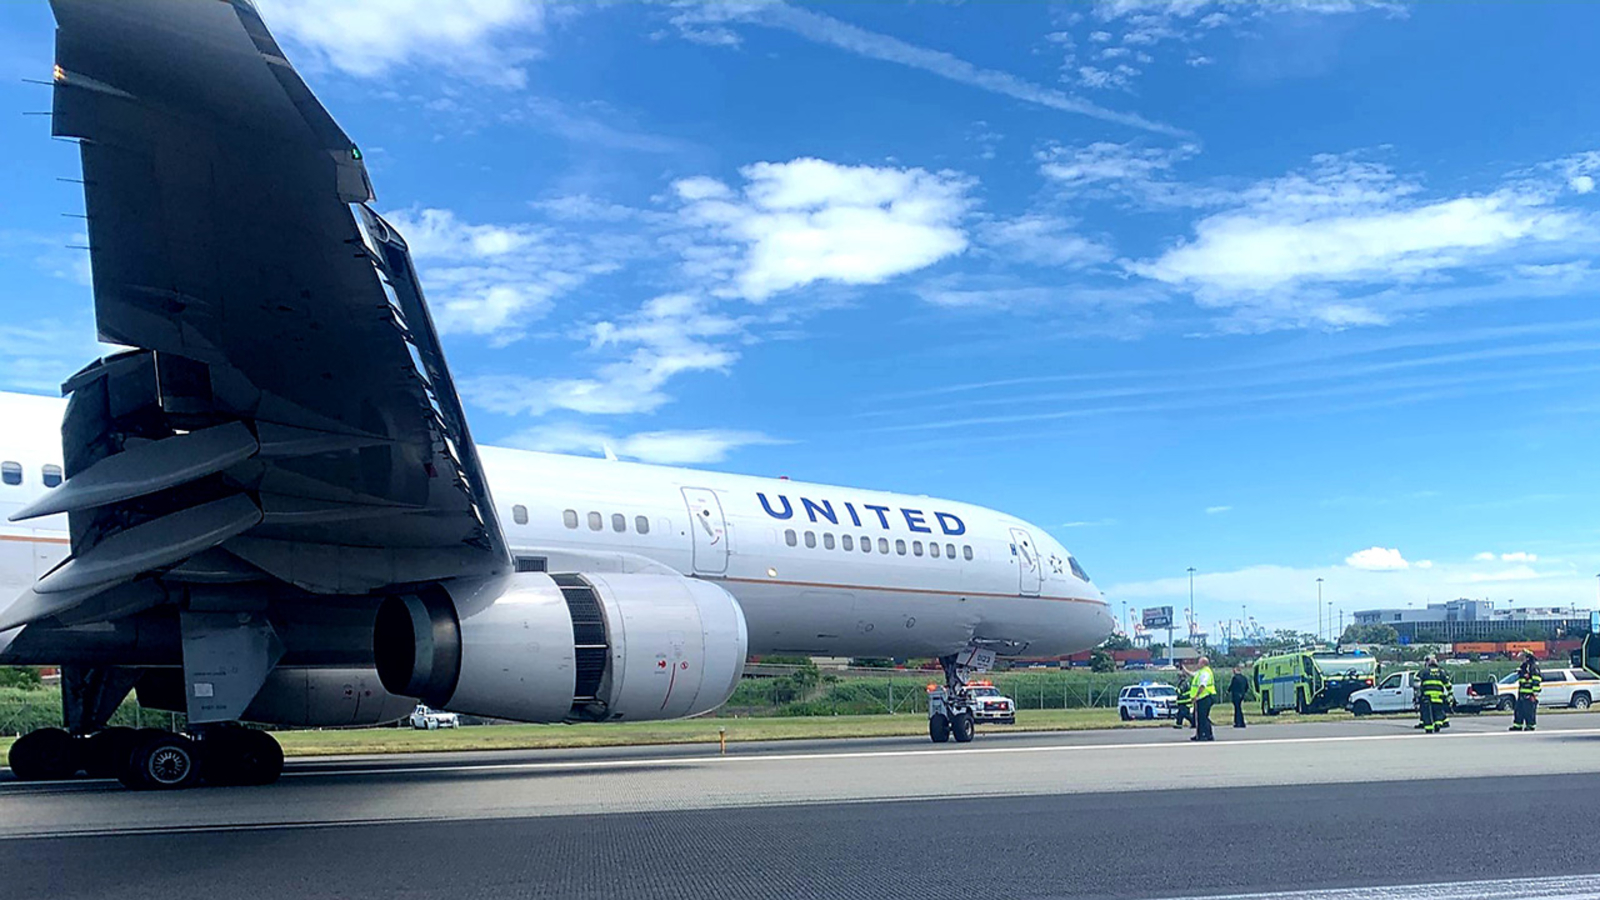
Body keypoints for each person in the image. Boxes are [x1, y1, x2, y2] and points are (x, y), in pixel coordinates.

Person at [1511, 650, 1542, 732]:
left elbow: (1536, 680)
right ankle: (1517, 725)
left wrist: (1534, 694)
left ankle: (1530, 726)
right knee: (1519, 710)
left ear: (1528, 658)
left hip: (1529, 694)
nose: (1522, 659)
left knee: (1529, 711)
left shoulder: (1533, 667)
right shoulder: (1524, 667)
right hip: (1522, 693)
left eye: (1523, 657)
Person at [1417, 656, 1448, 734]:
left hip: (1427, 697)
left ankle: (1429, 728)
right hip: (1438, 698)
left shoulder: (1424, 672)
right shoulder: (1441, 672)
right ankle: (1437, 725)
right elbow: (1448, 684)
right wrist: (1450, 694)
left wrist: (1418, 695)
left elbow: (1417, 683)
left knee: (1427, 714)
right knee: (1438, 712)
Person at [1191, 656, 1217, 742]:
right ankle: (1201, 734)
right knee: (1200, 717)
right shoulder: (1201, 672)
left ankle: (1205, 735)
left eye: (1199, 662)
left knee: (1203, 717)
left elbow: (1202, 685)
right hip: (1203, 697)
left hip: (1205, 697)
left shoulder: (1205, 673)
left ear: (1203, 663)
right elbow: (1193, 674)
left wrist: (1196, 696)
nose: (1198, 664)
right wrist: (1184, 669)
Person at [1173, 662, 1194, 730]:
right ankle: (1179, 724)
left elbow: (1180, 691)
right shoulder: (1182, 682)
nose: (1178, 678)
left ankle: (1194, 723)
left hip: (1185, 701)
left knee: (1185, 714)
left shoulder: (1184, 683)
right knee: (1180, 713)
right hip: (1182, 701)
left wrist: (1176, 689)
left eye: (1179, 677)